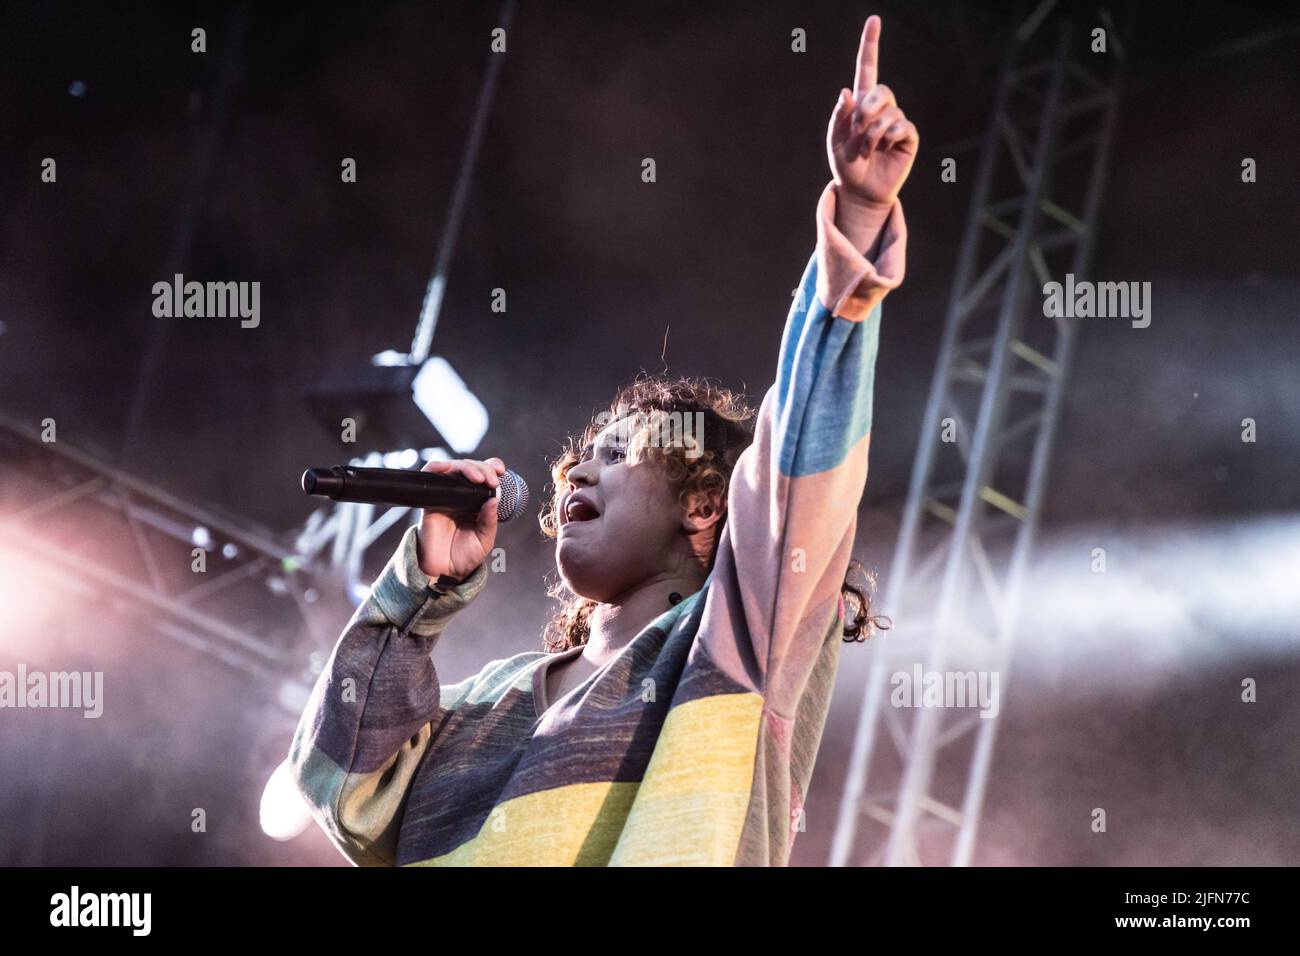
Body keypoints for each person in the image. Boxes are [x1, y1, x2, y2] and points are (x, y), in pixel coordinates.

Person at [290, 14, 915, 866]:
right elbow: (344, 796)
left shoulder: (727, 647)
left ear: (705, 504)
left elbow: (798, 462)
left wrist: (859, 223)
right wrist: (419, 594)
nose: (578, 471)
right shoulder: (483, 702)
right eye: (580, 459)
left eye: (618, 454)